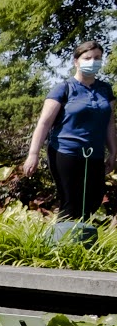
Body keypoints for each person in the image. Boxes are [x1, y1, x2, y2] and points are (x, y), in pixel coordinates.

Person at [23, 39, 117, 226]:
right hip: (65, 153)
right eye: (87, 58)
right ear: (76, 61)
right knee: (71, 201)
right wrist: (32, 154)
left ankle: (79, 241)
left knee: (93, 199)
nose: (93, 62)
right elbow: (44, 123)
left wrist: (114, 151)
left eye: (97, 58)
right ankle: (61, 246)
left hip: (95, 154)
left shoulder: (105, 90)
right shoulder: (63, 89)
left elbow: (109, 123)